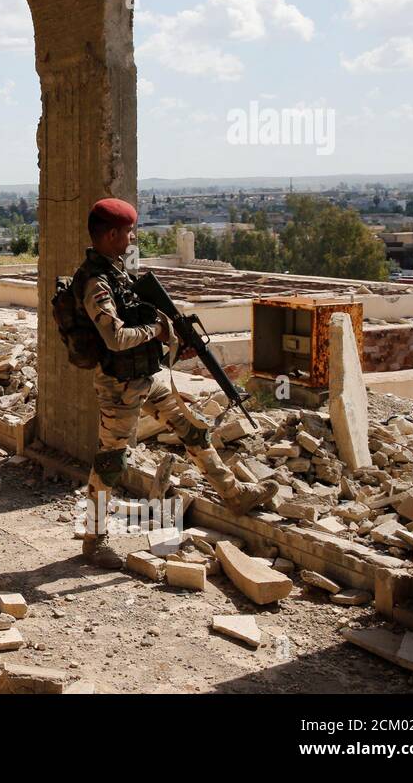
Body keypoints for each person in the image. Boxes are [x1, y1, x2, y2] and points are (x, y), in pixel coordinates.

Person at [75, 198, 277, 569]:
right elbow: (115, 339)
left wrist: (168, 325)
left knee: (191, 430)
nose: (133, 237)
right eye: (129, 231)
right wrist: (158, 329)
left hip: (144, 377)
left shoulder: (118, 271)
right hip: (119, 386)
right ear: (112, 234)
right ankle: (93, 538)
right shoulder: (95, 283)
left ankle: (234, 493)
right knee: (111, 462)